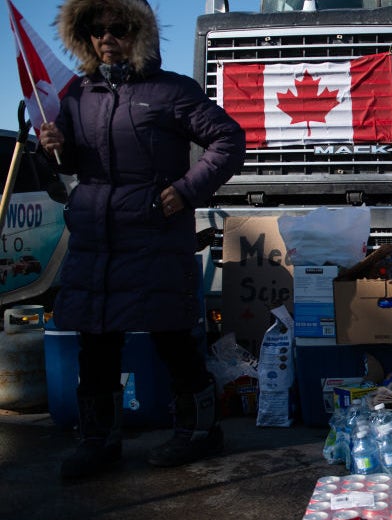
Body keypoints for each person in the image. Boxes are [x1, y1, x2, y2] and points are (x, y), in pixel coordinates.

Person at [39, 0, 245, 479]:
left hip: (153, 232)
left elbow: (229, 140)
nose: (106, 37)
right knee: (96, 341)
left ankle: (200, 432)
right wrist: (55, 147)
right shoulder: (75, 95)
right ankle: (98, 441)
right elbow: (73, 165)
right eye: (95, 28)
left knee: (171, 335)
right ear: (83, 36)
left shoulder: (171, 90)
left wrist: (187, 190)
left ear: (140, 32)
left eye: (119, 27)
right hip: (94, 238)